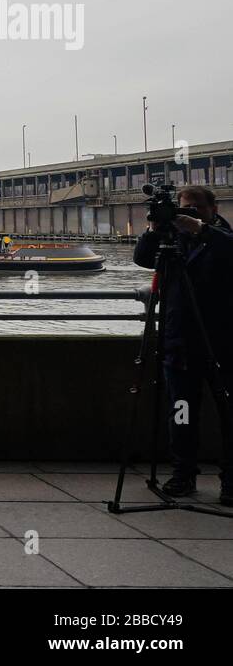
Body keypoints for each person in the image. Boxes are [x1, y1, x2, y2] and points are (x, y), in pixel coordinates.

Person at [132, 185, 233, 504]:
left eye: (196, 209)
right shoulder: (170, 239)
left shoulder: (221, 237)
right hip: (179, 340)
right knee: (181, 411)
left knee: (229, 413)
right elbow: (143, 258)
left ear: (213, 209)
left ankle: (231, 481)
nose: (188, 214)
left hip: (223, 341)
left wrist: (201, 230)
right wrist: (154, 228)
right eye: (184, 209)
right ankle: (182, 474)